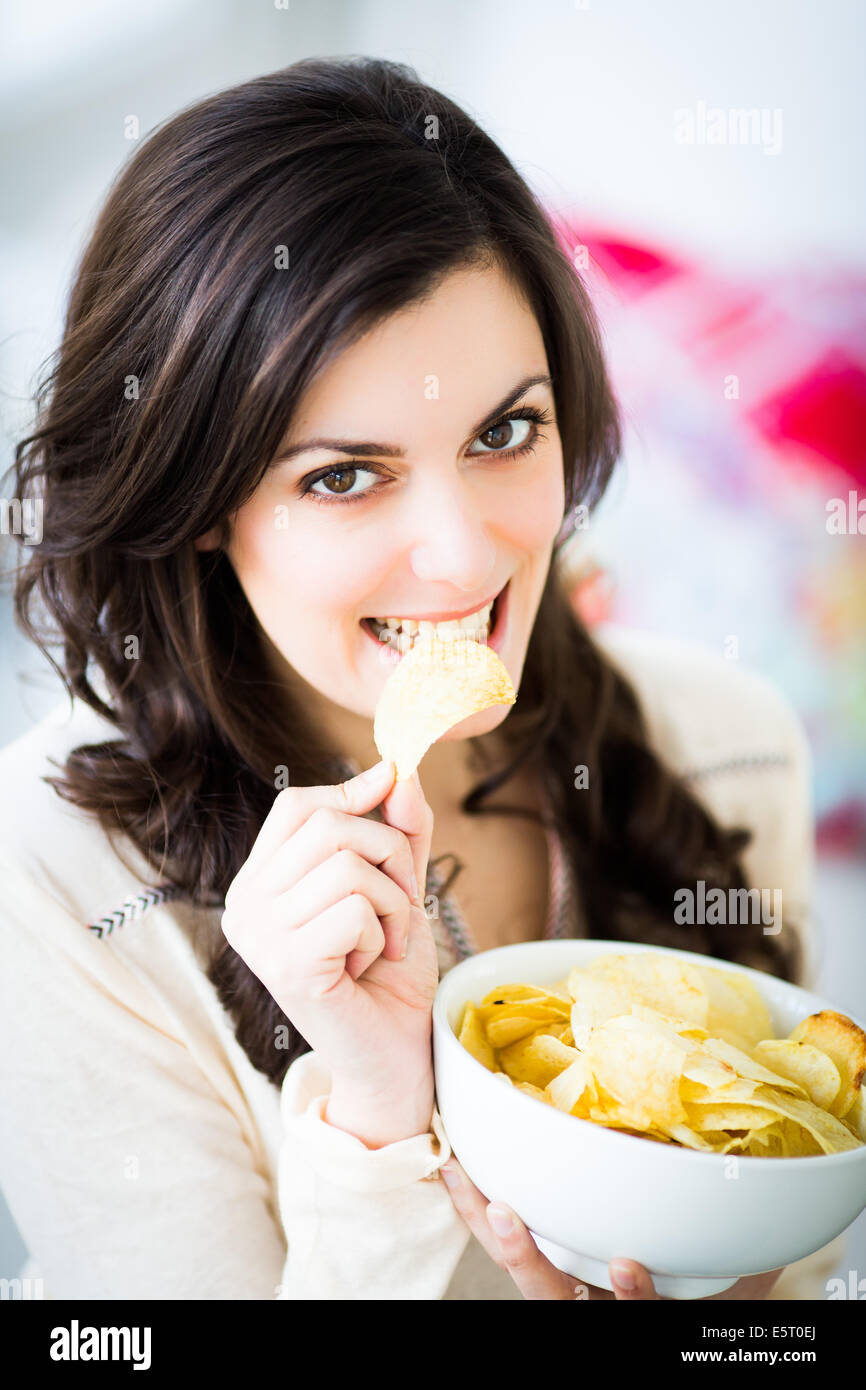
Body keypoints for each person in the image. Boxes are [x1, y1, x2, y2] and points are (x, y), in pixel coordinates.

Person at [0, 56, 845, 1301]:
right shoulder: (56, 881)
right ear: (193, 504)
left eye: (505, 431)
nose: (464, 556)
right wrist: (378, 1112)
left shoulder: (729, 745)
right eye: (343, 474)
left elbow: (799, 1248)